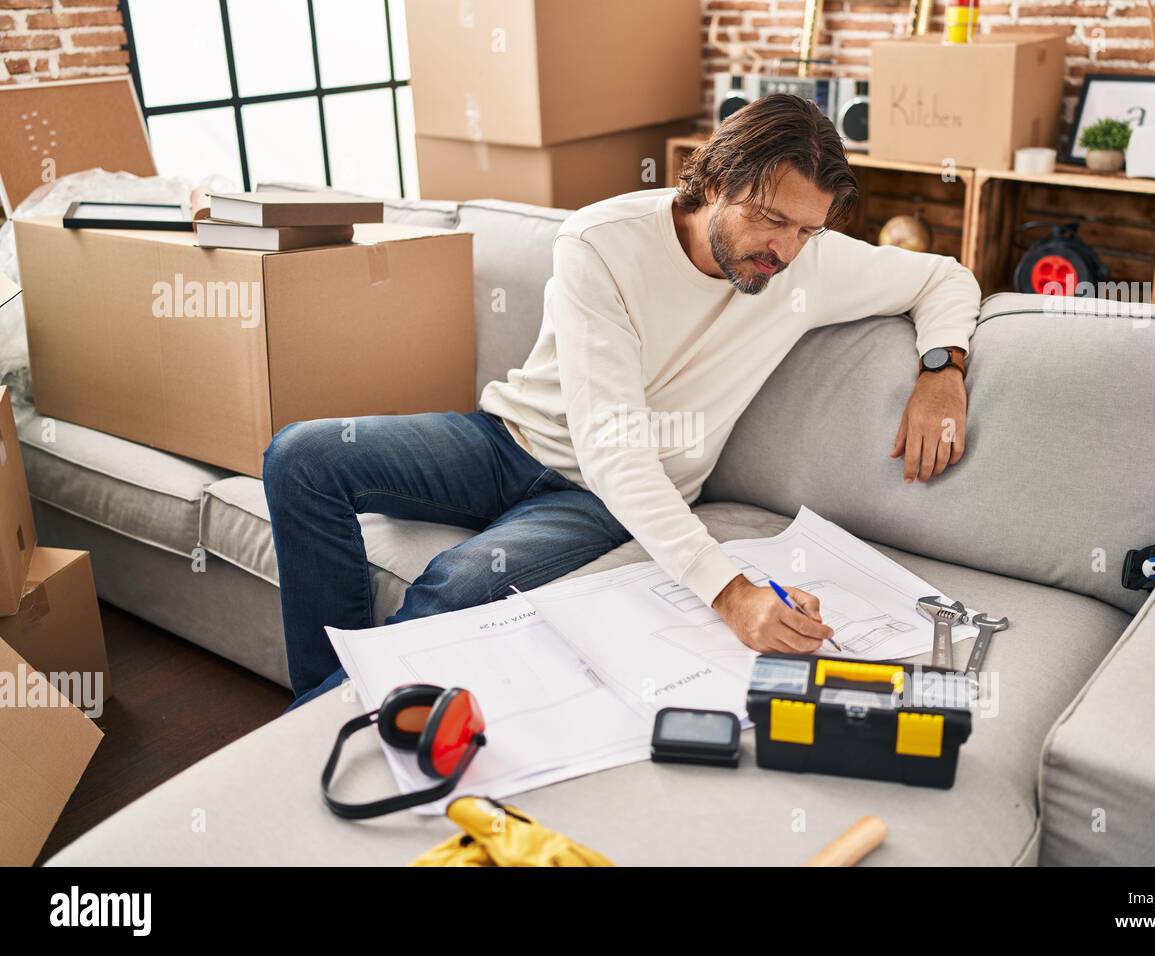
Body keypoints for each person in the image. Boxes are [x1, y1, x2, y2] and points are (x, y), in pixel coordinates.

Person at [263, 93, 979, 708]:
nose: (786, 251)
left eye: (806, 229)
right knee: (301, 457)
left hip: (596, 502)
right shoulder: (601, 244)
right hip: (510, 440)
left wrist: (941, 370)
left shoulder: (809, 263)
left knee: (460, 587)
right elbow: (611, 443)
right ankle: (317, 707)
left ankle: (330, 724)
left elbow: (944, 277)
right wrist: (731, 594)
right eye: (770, 219)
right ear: (718, 180)